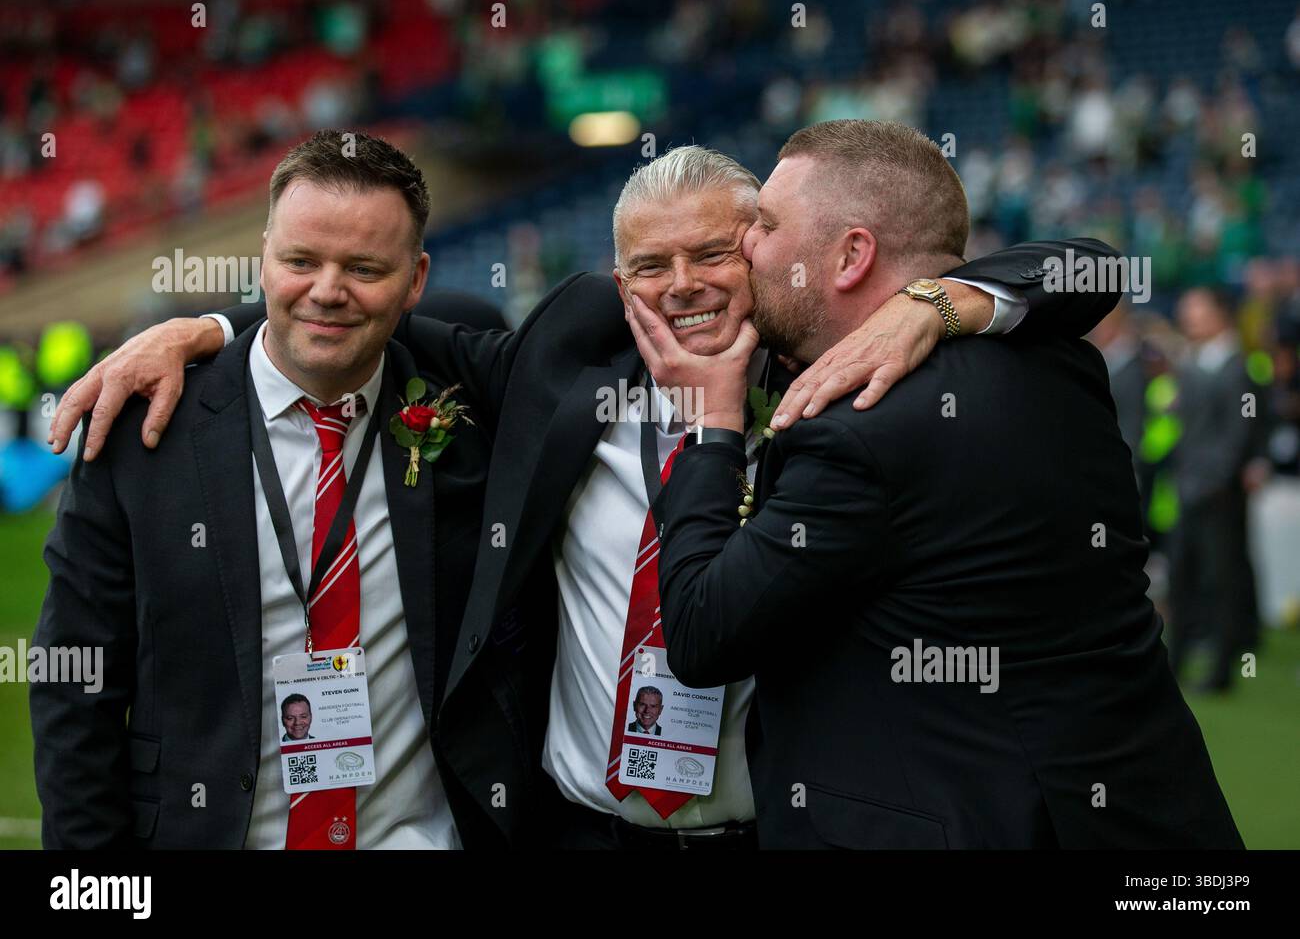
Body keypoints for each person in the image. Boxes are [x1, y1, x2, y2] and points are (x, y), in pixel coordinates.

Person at [49, 133, 1124, 850]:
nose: (682, 284)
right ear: (612, 282)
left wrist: (939, 300)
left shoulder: (845, 391)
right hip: (575, 831)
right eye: (647, 265)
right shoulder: (559, 363)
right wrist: (207, 328)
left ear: (767, 255)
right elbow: (343, 317)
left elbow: (1084, 268)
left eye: (713, 253)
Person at [632, 120, 1243, 848]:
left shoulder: (858, 432)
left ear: (852, 254)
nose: (746, 246)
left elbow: (701, 631)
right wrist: (943, 301)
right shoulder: (1057, 357)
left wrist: (713, 427)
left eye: (763, 224)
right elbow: (1093, 268)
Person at [32, 131, 502, 849]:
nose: (326, 290)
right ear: (263, 260)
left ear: (416, 279)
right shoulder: (143, 430)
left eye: (365, 268)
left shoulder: (466, 416)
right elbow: (75, 687)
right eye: (300, 261)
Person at [1167, 287, 1264, 692]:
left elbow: (1240, 432)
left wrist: (1217, 480)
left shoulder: (1238, 368)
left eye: (1197, 310)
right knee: (1181, 576)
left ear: (1221, 314)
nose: (1188, 318)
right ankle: (1176, 662)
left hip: (1217, 494)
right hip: (1188, 488)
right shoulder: (1191, 365)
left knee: (1220, 579)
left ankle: (1222, 669)